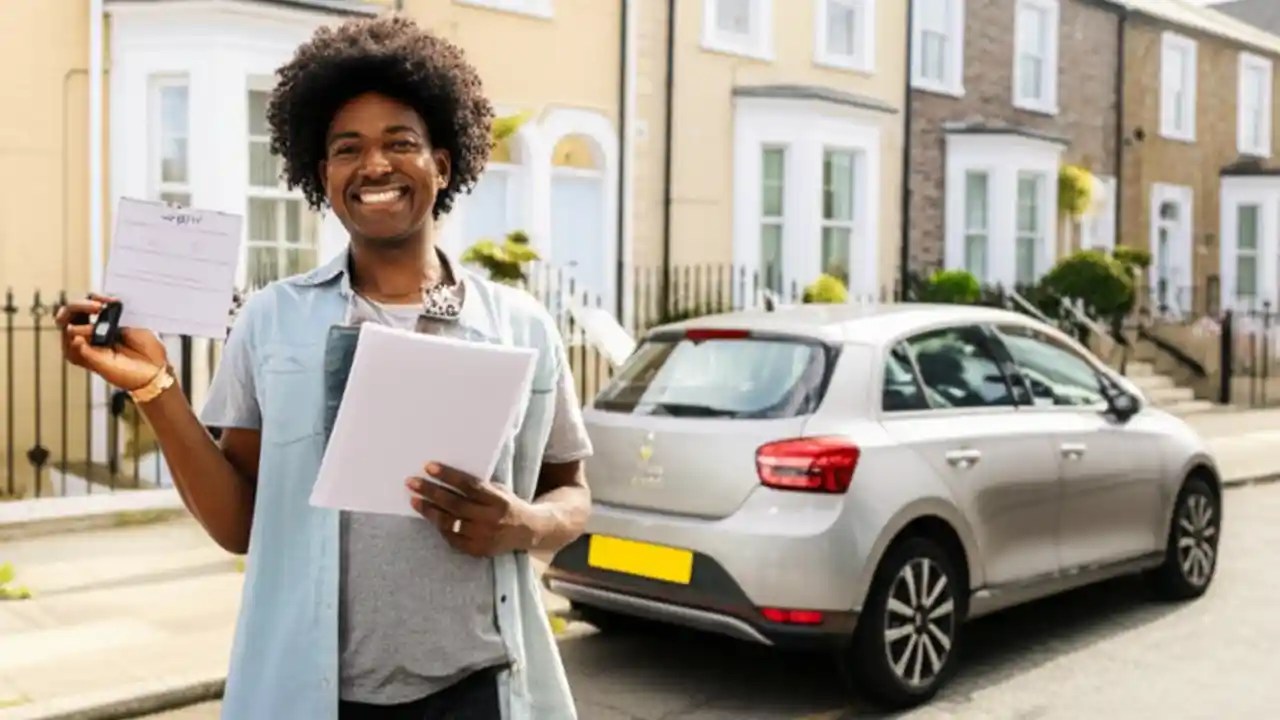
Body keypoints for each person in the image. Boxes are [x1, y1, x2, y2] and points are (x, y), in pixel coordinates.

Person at [56, 15, 592, 720]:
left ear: (442, 164)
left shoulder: (522, 325)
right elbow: (240, 526)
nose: (375, 165)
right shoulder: (272, 320)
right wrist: (157, 389)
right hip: (313, 697)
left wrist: (525, 524)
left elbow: (571, 492)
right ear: (323, 177)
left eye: (400, 142)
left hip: (479, 690)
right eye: (348, 149)